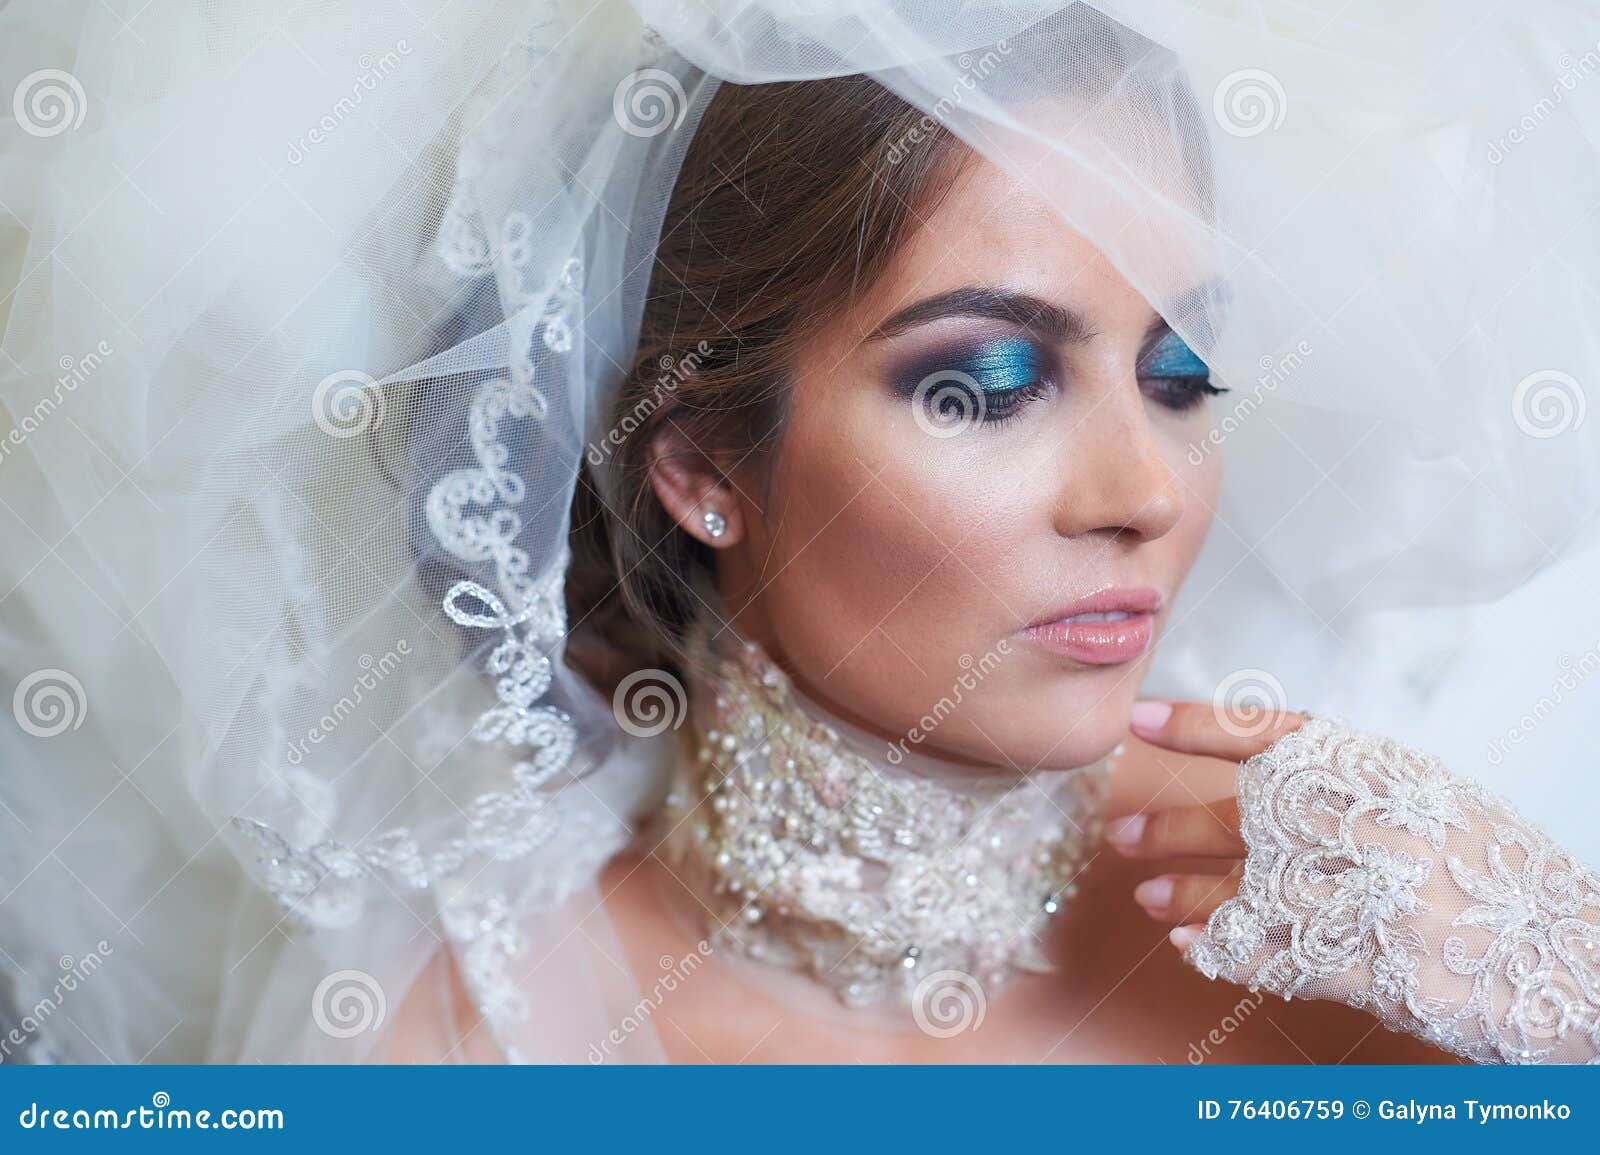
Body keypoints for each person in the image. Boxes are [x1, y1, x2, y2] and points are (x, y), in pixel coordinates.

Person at [2, 0, 1597, 1064]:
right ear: (698, 462)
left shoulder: (1373, 938)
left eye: (1181, 373)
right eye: (987, 383)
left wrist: (1565, 989)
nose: (1149, 488)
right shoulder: (469, 1034)